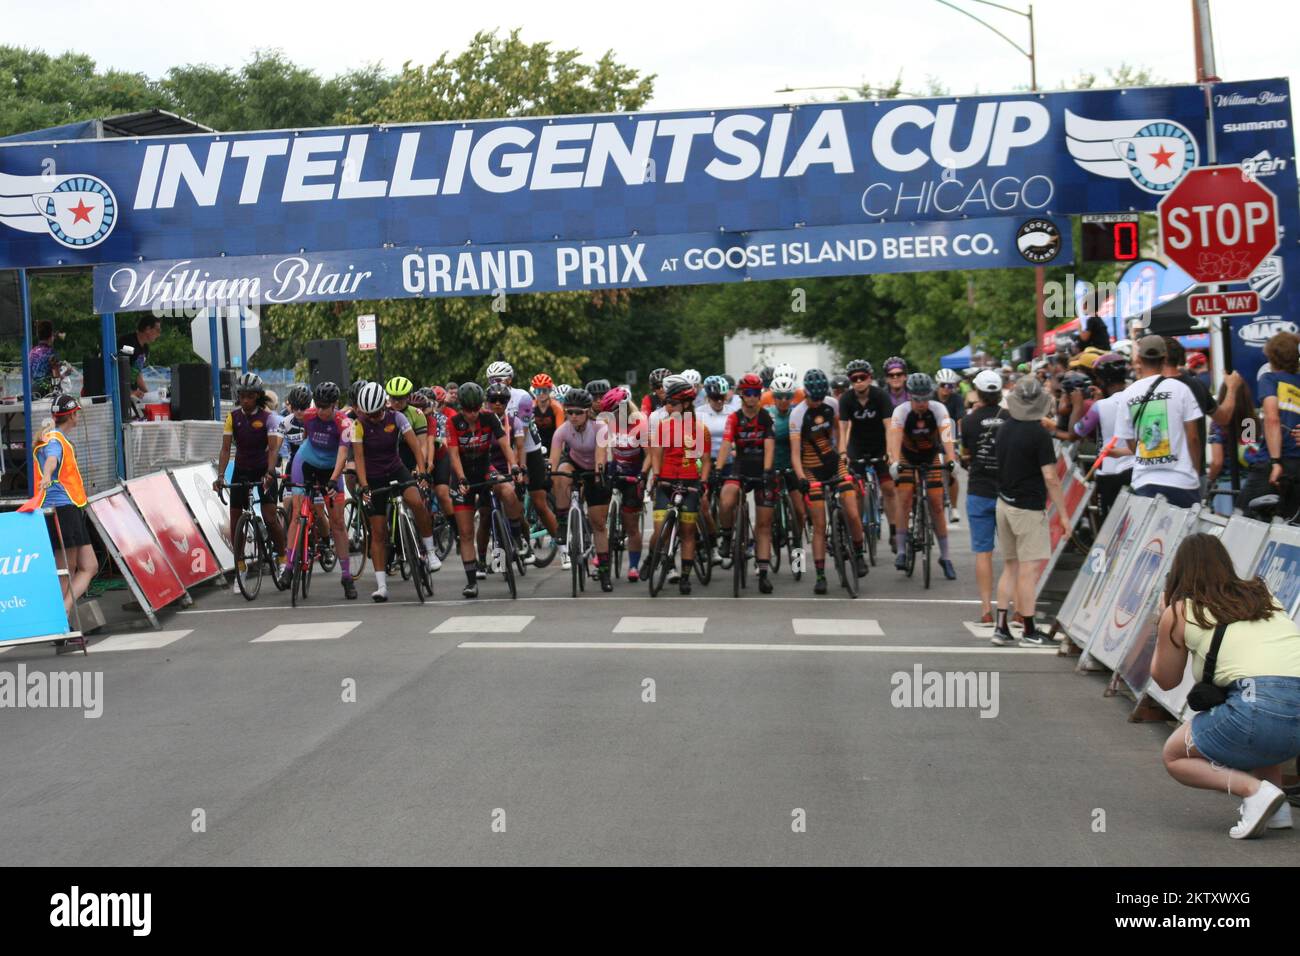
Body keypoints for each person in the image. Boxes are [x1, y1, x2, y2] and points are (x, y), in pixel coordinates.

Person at [1152, 533, 1300, 839]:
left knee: (1175, 756)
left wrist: (1162, 621)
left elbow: (1166, 679)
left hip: (1257, 708)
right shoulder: (1262, 596)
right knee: (1264, 722)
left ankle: (1254, 791)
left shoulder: (1180, 610)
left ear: (1178, 573)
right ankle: (1277, 808)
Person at [989, 376, 1069, 647]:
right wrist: (1064, 514)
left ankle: (1000, 626)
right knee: (1028, 570)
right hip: (1028, 507)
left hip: (1004, 502)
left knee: (1010, 567)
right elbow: (1050, 477)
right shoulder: (1039, 435)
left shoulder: (1004, 428)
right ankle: (1029, 629)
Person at [351, 381, 440, 601]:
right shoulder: (357, 425)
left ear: (384, 406)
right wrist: (363, 485)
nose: (372, 417)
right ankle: (381, 586)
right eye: (368, 414)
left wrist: (421, 471)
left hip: (395, 468)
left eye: (376, 413)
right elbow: (359, 459)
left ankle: (430, 552)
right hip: (373, 476)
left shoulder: (397, 418)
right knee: (378, 531)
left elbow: (414, 447)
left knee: (416, 501)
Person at [789, 368, 866, 593]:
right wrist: (801, 478)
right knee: (820, 524)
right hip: (810, 468)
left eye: (820, 398)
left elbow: (840, 431)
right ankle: (821, 575)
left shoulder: (832, 404)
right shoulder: (798, 414)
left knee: (852, 511)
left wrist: (843, 454)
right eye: (814, 398)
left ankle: (859, 554)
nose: (817, 402)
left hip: (833, 462)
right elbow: (795, 453)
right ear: (806, 394)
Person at [446, 382, 521, 598]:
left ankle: (516, 538)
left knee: (507, 490)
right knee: (467, 531)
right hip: (462, 476)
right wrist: (460, 478)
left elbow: (505, 444)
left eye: (475, 409)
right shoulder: (453, 422)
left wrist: (514, 466)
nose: (471, 414)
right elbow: (453, 455)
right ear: (461, 407)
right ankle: (471, 582)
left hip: (485, 468)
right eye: (467, 410)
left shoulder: (489, 417)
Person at [1111, 335, 1205, 508]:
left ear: (1138, 359)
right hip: (1182, 481)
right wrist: (1195, 471)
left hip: (1145, 481)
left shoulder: (1128, 395)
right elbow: (1193, 438)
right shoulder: (1181, 389)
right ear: (1164, 358)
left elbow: (1132, 444)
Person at [25, 394, 98, 617]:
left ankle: (63, 611)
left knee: (90, 566)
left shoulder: (53, 437)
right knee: (66, 569)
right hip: (62, 509)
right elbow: (51, 460)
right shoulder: (55, 440)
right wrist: (47, 475)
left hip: (69, 507)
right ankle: (59, 620)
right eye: (77, 414)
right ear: (73, 416)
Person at [284, 381, 357, 599]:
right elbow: (306, 438)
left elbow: (343, 455)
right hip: (306, 462)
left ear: (335, 404)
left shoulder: (345, 424)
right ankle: (288, 567)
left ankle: (346, 576)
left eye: (328, 406)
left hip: (331, 468)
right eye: (320, 405)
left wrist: (334, 480)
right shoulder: (308, 415)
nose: (323, 411)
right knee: (297, 515)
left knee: (338, 523)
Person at [214, 373, 287, 581]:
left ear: (258, 396)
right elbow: (225, 449)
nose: (245, 400)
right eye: (242, 396)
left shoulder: (268, 417)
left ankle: (282, 560)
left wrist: (270, 472)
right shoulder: (233, 417)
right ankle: (240, 567)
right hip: (242, 468)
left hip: (264, 469)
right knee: (236, 522)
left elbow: (273, 449)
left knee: (270, 517)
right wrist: (220, 476)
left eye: (250, 396)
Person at [886, 372, 958, 581]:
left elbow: (946, 437)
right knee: (905, 497)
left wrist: (951, 460)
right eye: (917, 399)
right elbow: (895, 440)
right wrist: (894, 461)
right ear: (910, 397)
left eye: (925, 398)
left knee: (936, 504)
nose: (921, 403)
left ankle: (945, 557)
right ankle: (901, 551)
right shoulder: (901, 411)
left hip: (930, 455)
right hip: (907, 457)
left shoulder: (938, 409)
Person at [646, 375, 710, 594]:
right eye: (666, 403)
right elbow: (656, 453)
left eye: (672, 403)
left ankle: (685, 576)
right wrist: (656, 475)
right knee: (660, 531)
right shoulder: (663, 426)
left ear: (685, 404)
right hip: (665, 480)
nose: (667, 406)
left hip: (689, 480)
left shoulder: (699, 429)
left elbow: (705, 459)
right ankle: (651, 558)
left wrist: (703, 482)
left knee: (688, 531)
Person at [715, 372, 777, 593]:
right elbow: (726, 444)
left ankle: (763, 572)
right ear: (741, 395)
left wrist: (768, 471)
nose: (752, 397)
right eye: (748, 393)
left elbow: (770, 445)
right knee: (726, 498)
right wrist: (718, 468)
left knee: (763, 524)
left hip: (762, 467)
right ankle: (725, 534)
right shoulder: (734, 417)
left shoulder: (766, 417)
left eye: (756, 393)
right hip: (740, 466)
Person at [550, 387, 614, 590]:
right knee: (561, 472)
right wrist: (548, 475)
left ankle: (604, 573)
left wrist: (597, 475)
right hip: (576, 464)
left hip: (598, 467)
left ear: (587, 412)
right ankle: (562, 520)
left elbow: (601, 456)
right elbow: (553, 459)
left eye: (578, 412)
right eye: (569, 412)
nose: (574, 416)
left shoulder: (599, 427)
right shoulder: (563, 430)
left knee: (598, 524)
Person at [959, 370, 1006, 625]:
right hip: (1007, 490)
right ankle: (1018, 608)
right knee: (1013, 555)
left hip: (979, 489)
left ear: (977, 391)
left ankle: (986, 609)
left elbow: (965, 454)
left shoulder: (968, 421)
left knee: (983, 552)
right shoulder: (1010, 418)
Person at [1063, 352, 1132, 521]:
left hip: (1108, 471)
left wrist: (1078, 405)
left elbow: (1075, 432)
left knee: (1109, 524)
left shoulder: (1099, 406)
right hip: (1135, 468)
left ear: (1102, 380)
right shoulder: (1137, 397)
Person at [838, 359, 898, 551]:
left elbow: (889, 426)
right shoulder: (846, 399)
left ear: (869, 378)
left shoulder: (880, 396)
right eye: (854, 379)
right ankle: (859, 530)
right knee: (855, 490)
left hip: (879, 445)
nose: (858, 382)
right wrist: (842, 452)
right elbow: (843, 429)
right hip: (857, 445)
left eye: (862, 377)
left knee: (888, 488)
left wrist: (890, 452)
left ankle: (895, 531)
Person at [1256, 331, 1300, 519]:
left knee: (1244, 516)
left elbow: (1271, 418)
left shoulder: (1269, 380)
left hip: (1274, 462)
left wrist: (1275, 462)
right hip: (1297, 462)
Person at [935, 368, 964, 523]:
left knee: (951, 469)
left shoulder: (957, 399)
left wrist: (959, 441)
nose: (946, 389)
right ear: (938, 385)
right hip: (933, 436)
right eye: (943, 385)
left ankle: (954, 507)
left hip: (950, 437)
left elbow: (960, 421)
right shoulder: (931, 398)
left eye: (950, 386)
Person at [117, 317, 162, 397]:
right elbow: (118, 368)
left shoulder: (145, 349)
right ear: (148, 329)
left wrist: (148, 394)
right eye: (158, 330)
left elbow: (137, 372)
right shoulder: (127, 342)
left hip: (132, 392)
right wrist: (129, 392)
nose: (159, 334)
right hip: (120, 393)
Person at [27, 320, 63, 399]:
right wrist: (65, 374)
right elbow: (56, 379)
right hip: (45, 395)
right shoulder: (51, 353)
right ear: (51, 336)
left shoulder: (32, 352)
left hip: (31, 394)